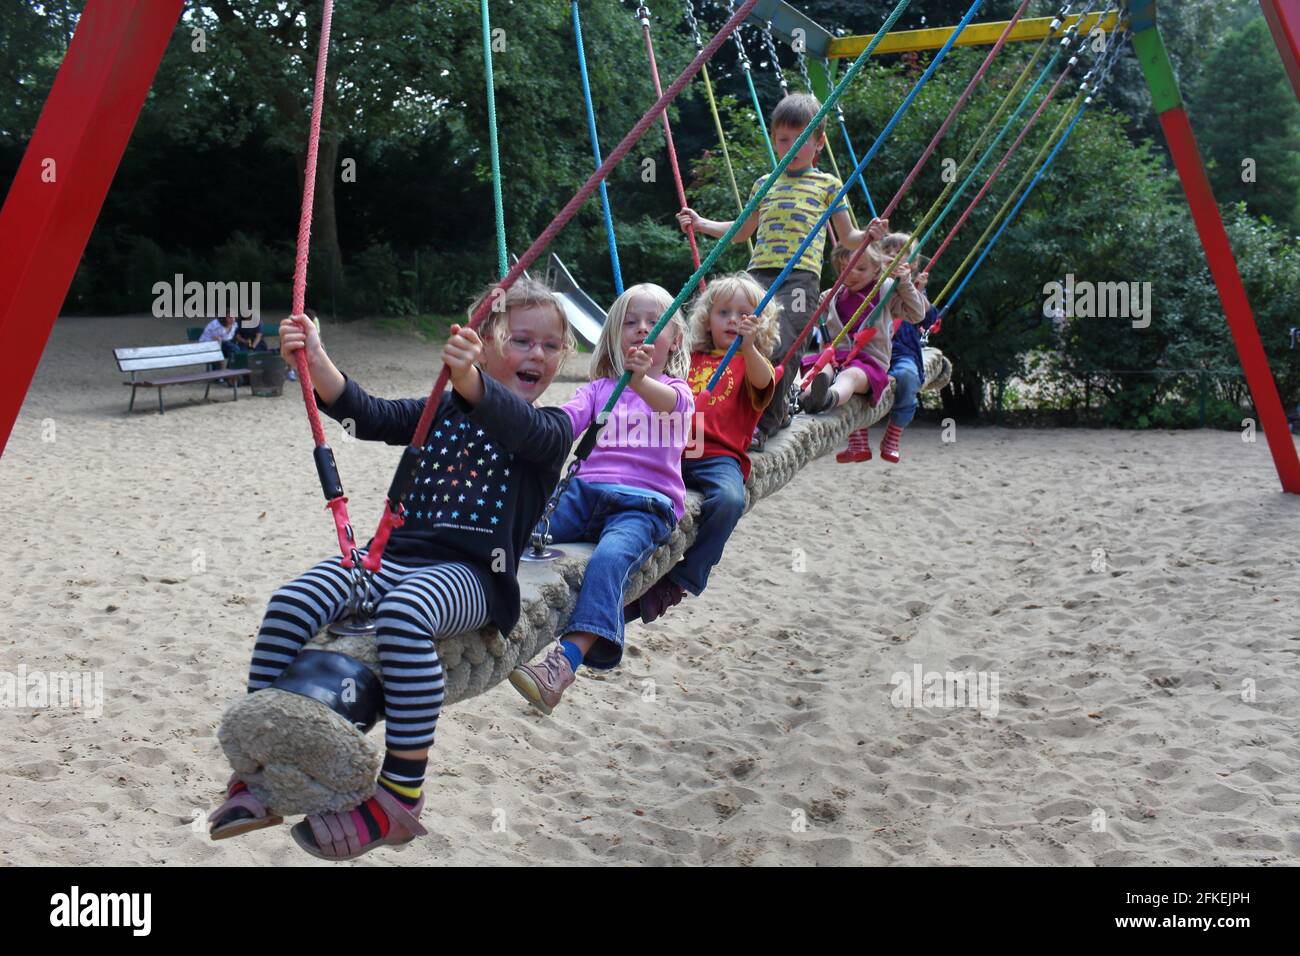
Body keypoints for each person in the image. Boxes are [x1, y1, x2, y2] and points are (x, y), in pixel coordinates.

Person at [207, 277, 575, 860]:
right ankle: (262, 760)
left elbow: (516, 426)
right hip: (390, 557)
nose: (537, 354)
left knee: (404, 615)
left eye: (551, 347)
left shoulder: (553, 429)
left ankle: (401, 795)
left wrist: (471, 381)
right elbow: (365, 413)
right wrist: (316, 356)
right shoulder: (439, 410)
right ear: (481, 340)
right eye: (522, 340)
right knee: (293, 601)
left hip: (474, 575)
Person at [507, 283, 693, 715]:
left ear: (675, 339)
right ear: (613, 335)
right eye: (630, 322)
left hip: (643, 505)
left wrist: (642, 378)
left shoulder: (677, 391)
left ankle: (563, 663)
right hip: (582, 494)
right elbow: (564, 424)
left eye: (655, 323)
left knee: (609, 560)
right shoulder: (599, 390)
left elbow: (666, 407)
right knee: (521, 525)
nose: (642, 329)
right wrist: (524, 423)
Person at [676, 92, 885, 451]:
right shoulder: (764, 184)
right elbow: (742, 230)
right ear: (774, 140)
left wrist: (868, 236)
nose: (791, 146)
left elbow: (847, 235)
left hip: (800, 278)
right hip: (758, 276)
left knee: (781, 345)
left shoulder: (828, 185)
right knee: (745, 342)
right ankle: (739, 412)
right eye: (783, 139)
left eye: (801, 139)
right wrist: (701, 223)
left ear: (819, 142)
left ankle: (768, 422)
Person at [635, 273, 778, 623]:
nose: (733, 320)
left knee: (729, 500)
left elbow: (764, 382)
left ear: (759, 323)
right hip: (674, 451)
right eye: (724, 312)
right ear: (706, 320)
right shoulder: (690, 359)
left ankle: (683, 580)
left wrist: (748, 346)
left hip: (719, 457)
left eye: (745, 314)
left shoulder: (752, 363)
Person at [797, 238, 924, 463]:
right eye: (845, 268)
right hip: (835, 356)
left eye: (861, 268)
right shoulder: (833, 295)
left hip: (868, 362)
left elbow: (916, 314)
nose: (852, 273)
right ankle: (805, 396)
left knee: (850, 376)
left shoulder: (885, 291)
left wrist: (905, 284)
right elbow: (812, 319)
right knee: (817, 367)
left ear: (877, 269)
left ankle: (829, 397)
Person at [198, 313, 238, 378]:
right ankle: (220, 375)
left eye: (234, 317)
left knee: (235, 349)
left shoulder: (235, 325)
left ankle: (229, 372)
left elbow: (228, 339)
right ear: (224, 318)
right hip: (207, 345)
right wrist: (222, 364)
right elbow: (217, 346)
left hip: (222, 342)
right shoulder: (217, 325)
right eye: (230, 317)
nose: (233, 319)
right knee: (216, 353)